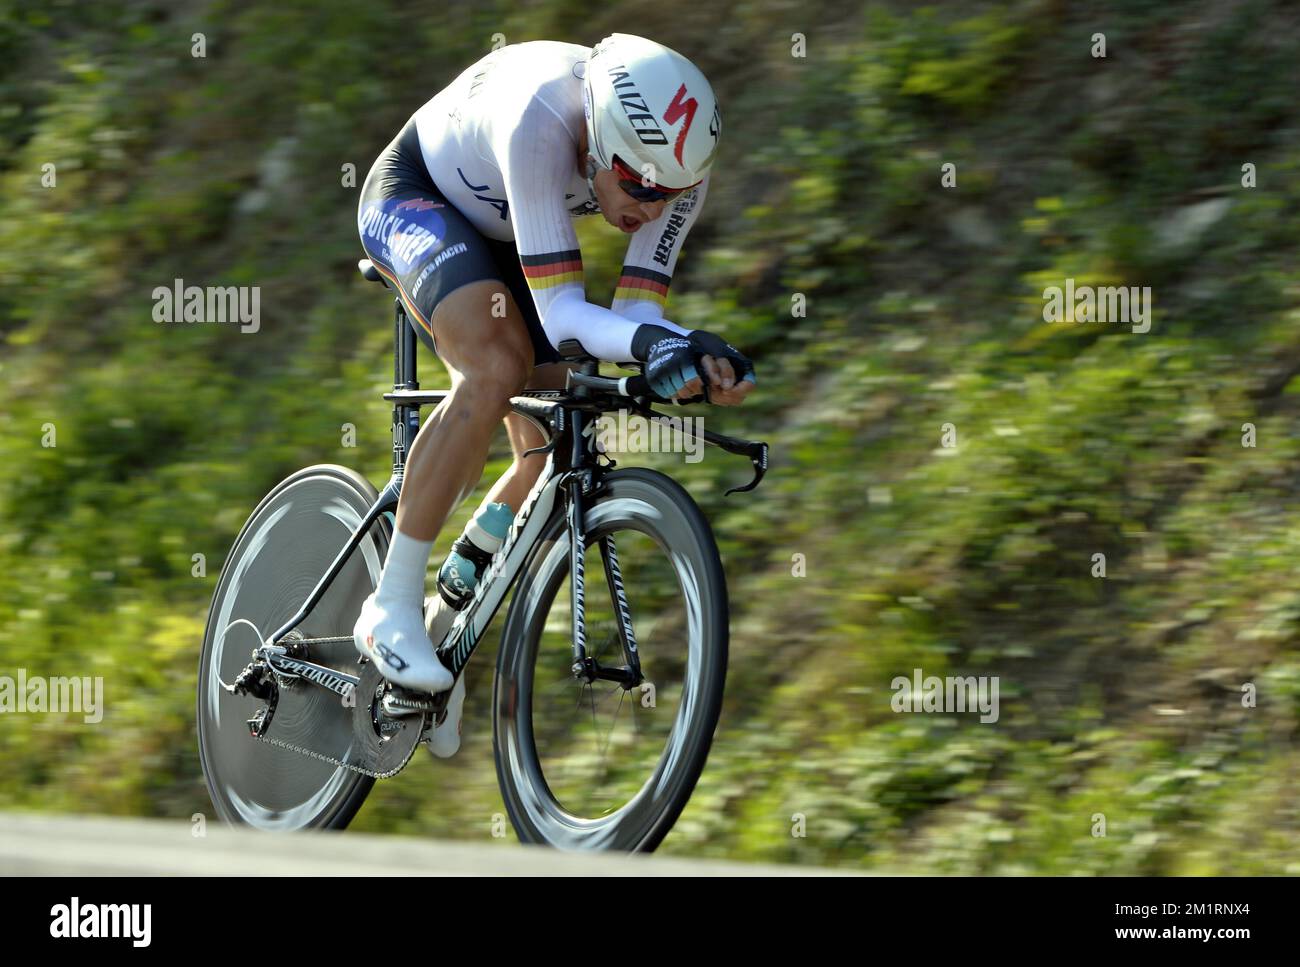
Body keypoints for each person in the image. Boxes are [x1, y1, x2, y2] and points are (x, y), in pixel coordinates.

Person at [352, 33, 755, 757]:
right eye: (637, 188)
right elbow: (569, 316)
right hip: (420, 196)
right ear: (600, 144)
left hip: (510, 224)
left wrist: (694, 345)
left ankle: (446, 615)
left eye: (669, 194)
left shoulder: (674, 172)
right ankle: (390, 607)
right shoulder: (542, 118)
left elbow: (634, 317)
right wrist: (657, 345)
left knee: (562, 430)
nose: (650, 205)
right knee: (496, 368)